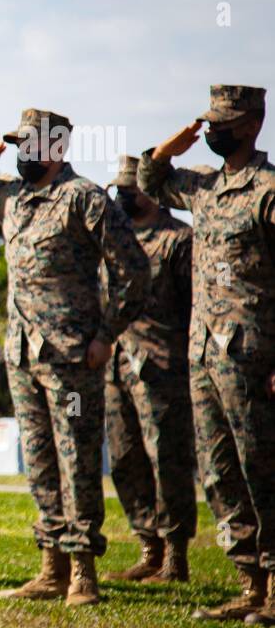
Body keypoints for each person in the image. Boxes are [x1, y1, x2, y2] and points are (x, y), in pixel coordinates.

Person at [0, 110, 147, 606]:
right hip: (21, 353)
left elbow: (134, 271)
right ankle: (51, 567)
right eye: (18, 144)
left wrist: (106, 334)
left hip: (73, 356)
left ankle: (83, 572)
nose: (22, 153)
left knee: (78, 459)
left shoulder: (84, 198)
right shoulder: (12, 197)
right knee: (39, 460)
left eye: (31, 145)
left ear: (57, 148)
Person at [138, 84, 275, 626]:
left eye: (221, 123)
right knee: (218, 472)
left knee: (262, 468)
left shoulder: (268, 190)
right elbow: (152, 181)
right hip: (202, 352)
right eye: (208, 122)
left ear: (251, 125)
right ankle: (249, 582)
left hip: (254, 355)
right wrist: (170, 147)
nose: (212, 131)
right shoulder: (204, 188)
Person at [103, 156, 196, 583]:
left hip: (163, 367)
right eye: (118, 188)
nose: (123, 195)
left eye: (130, 188)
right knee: (123, 458)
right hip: (115, 365)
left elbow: (197, 307)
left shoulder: (179, 239)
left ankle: (176, 554)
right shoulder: (110, 239)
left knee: (167, 460)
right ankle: (149, 546)